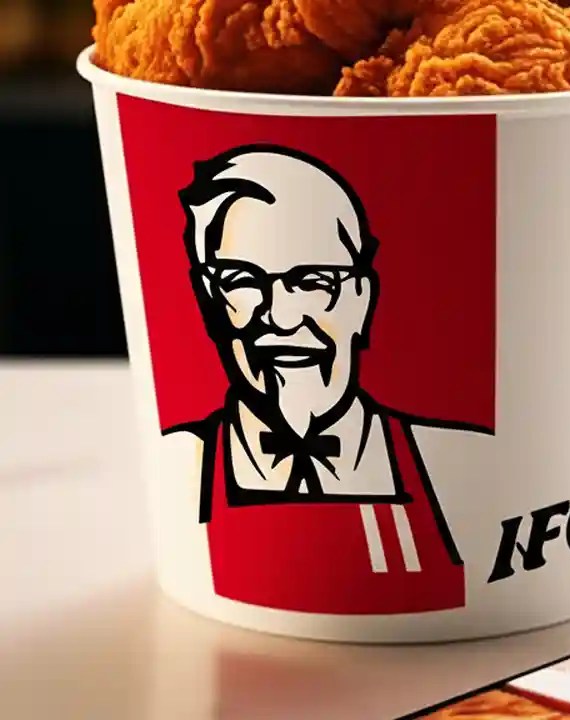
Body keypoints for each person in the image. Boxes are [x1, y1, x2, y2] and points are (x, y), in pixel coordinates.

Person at [163, 144, 490, 615]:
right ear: (209, 300)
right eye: (243, 281)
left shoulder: (456, 460)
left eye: (314, 281)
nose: (282, 316)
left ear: (361, 298)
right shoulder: (180, 461)